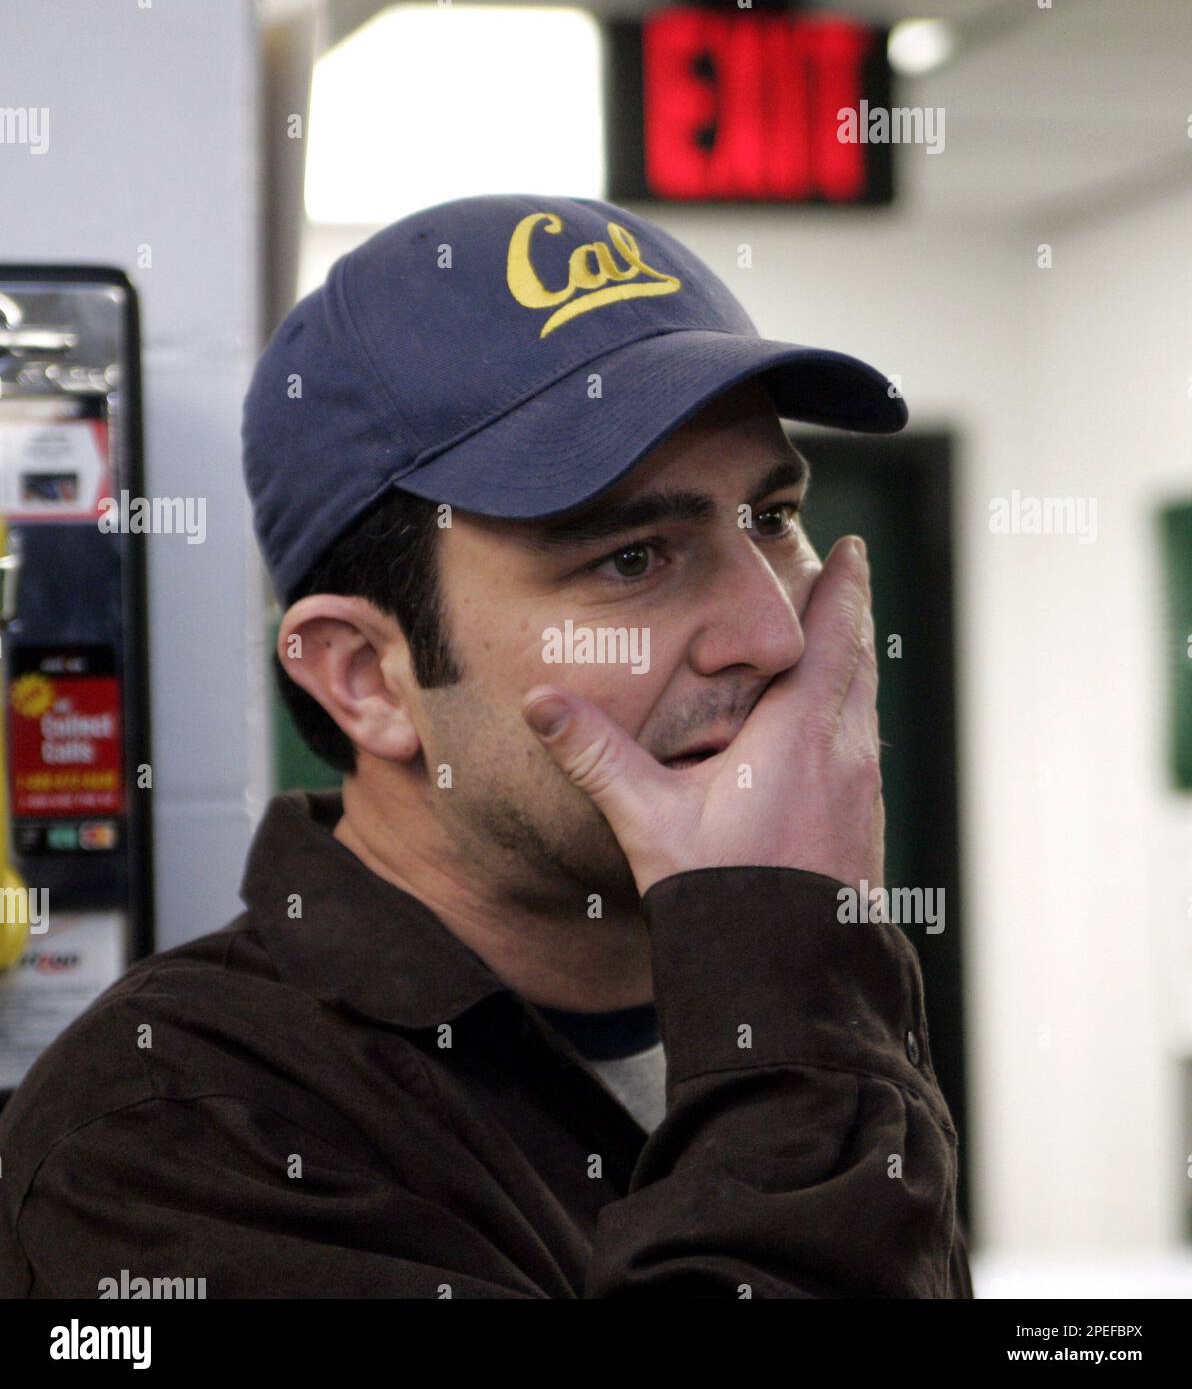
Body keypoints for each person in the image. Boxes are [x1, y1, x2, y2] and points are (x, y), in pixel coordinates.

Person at [0, 194, 971, 1297]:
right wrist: (786, 995)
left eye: (771, 516)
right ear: (368, 679)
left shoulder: (803, 981)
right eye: (634, 558)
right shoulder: (168, 1133)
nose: (772, 631)